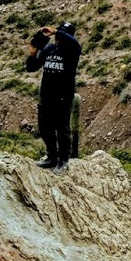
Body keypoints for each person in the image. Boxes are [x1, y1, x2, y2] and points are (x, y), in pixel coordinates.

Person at [25, 22, 81, 169]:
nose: (58, 37)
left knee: (62, 129)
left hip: (63, 96)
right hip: (46, 95)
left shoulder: (73, 51)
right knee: (45, 127)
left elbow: (74, 43)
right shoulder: (49, 49)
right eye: (58, 34)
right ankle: (52, 157)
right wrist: (32, 53)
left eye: (62, 34)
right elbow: (31, 68)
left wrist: (56, 31)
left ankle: (63, 161)